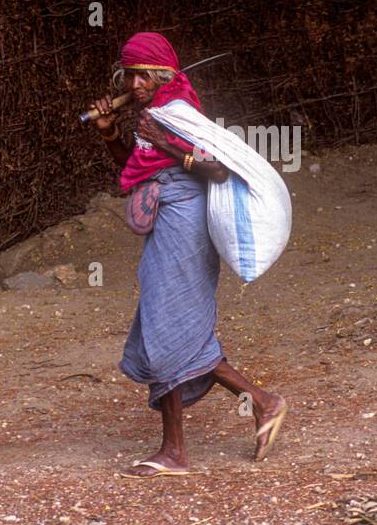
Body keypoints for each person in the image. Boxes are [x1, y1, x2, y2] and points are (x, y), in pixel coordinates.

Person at [90, 31, 287, 475]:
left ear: (162, 74)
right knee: (167, 326)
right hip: (167, 220)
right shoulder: (153, 114)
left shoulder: (179, 113)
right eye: (130, 75)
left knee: (170, 325)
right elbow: (135, 168)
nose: (136, 84)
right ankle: (258, 402)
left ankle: (180, 449)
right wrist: (108, 133)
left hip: (188, 222)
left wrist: (165, 141)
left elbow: (217, 169)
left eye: (145, 74)